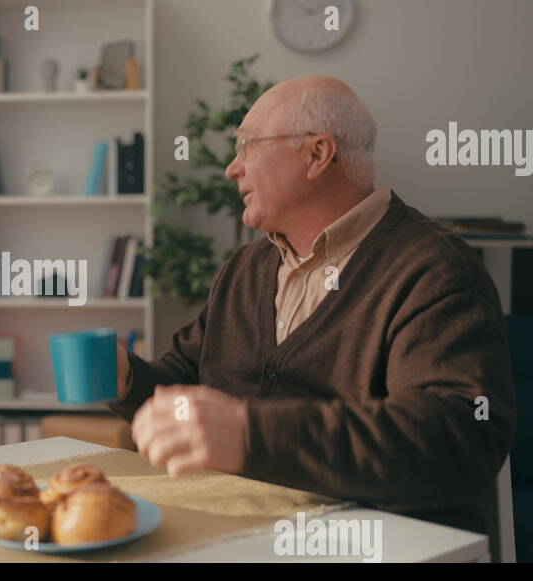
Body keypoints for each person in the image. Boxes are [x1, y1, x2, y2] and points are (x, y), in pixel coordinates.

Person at [108, 75, 515, 549]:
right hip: (235, 535)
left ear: (317, 155)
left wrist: (249, 434)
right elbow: (183, 384)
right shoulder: (246, 267)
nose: (231, 169)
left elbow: (456, 438)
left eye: (247, 146)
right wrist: (127, 380)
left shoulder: (434, 269)